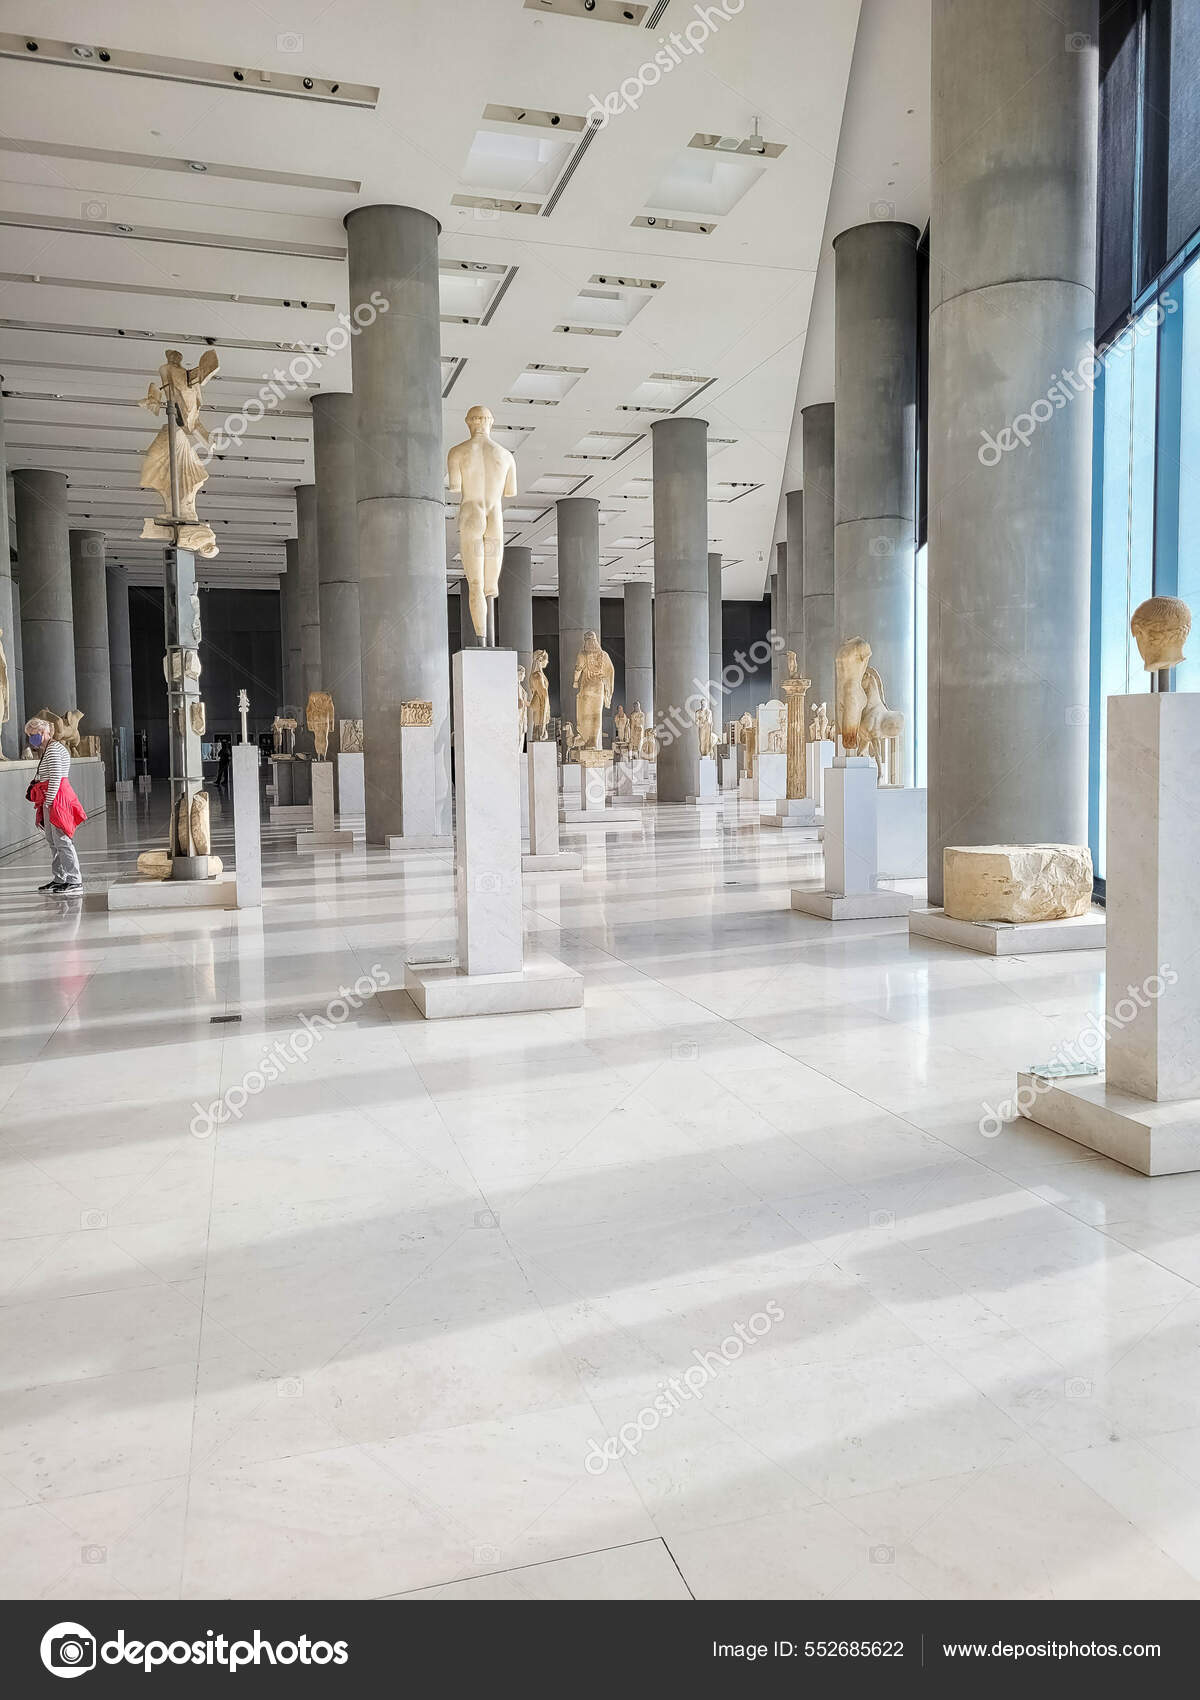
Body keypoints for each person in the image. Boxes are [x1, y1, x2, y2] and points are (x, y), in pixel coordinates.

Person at [25, 717, 87, 893]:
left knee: (62, 839)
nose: (31, 738)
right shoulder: (48, 749)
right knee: (53, 840)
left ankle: (74, 880)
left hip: (57, 798)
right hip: (51, 799)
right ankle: (60, 878)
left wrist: (49, 802)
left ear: (43, 732)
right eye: (29, 735)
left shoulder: (53, 750)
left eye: (33, 734)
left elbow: (55, 779)